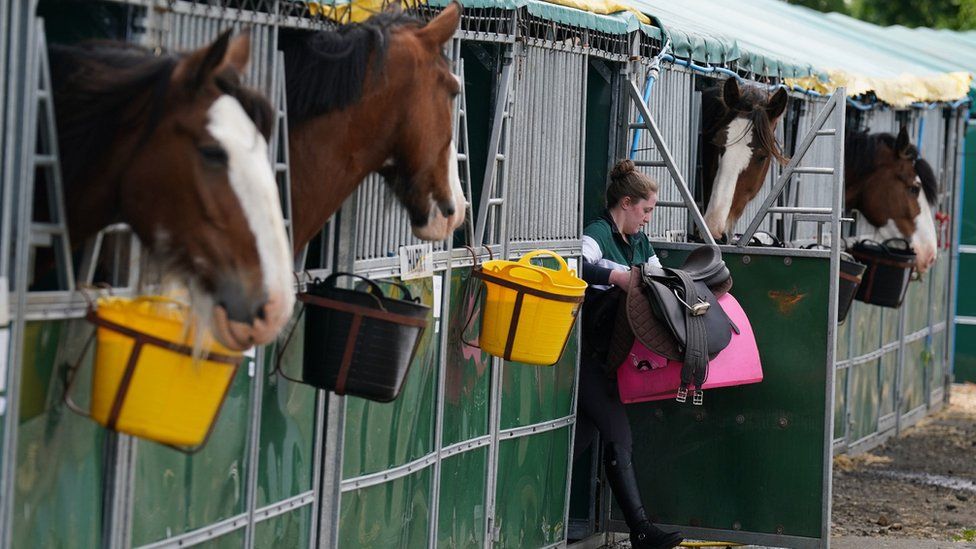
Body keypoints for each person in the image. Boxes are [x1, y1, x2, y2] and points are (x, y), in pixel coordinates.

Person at [575, 159, 683, 549]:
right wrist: (615, 276)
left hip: (612, 358)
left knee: (581, 439)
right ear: (626, 202)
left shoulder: (639, 241)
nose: (649, 219)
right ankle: (640, 530)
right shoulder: (597, 233)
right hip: (587, 355)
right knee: (617, 433)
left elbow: (655, 279)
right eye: (647, 210)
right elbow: (576, 268)